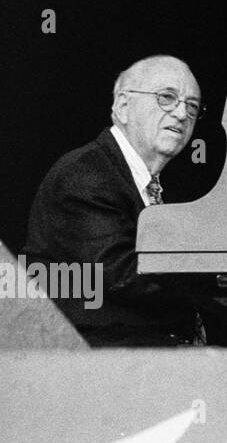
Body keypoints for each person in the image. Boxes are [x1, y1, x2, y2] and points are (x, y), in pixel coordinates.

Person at [24, 55, 203, 345]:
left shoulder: (146, 183)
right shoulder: (84, 174)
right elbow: (121, 276)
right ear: (123, 107)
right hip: (96, 364)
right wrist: (217, 274)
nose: (182, 114)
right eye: (167, 98)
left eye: (192, 106)